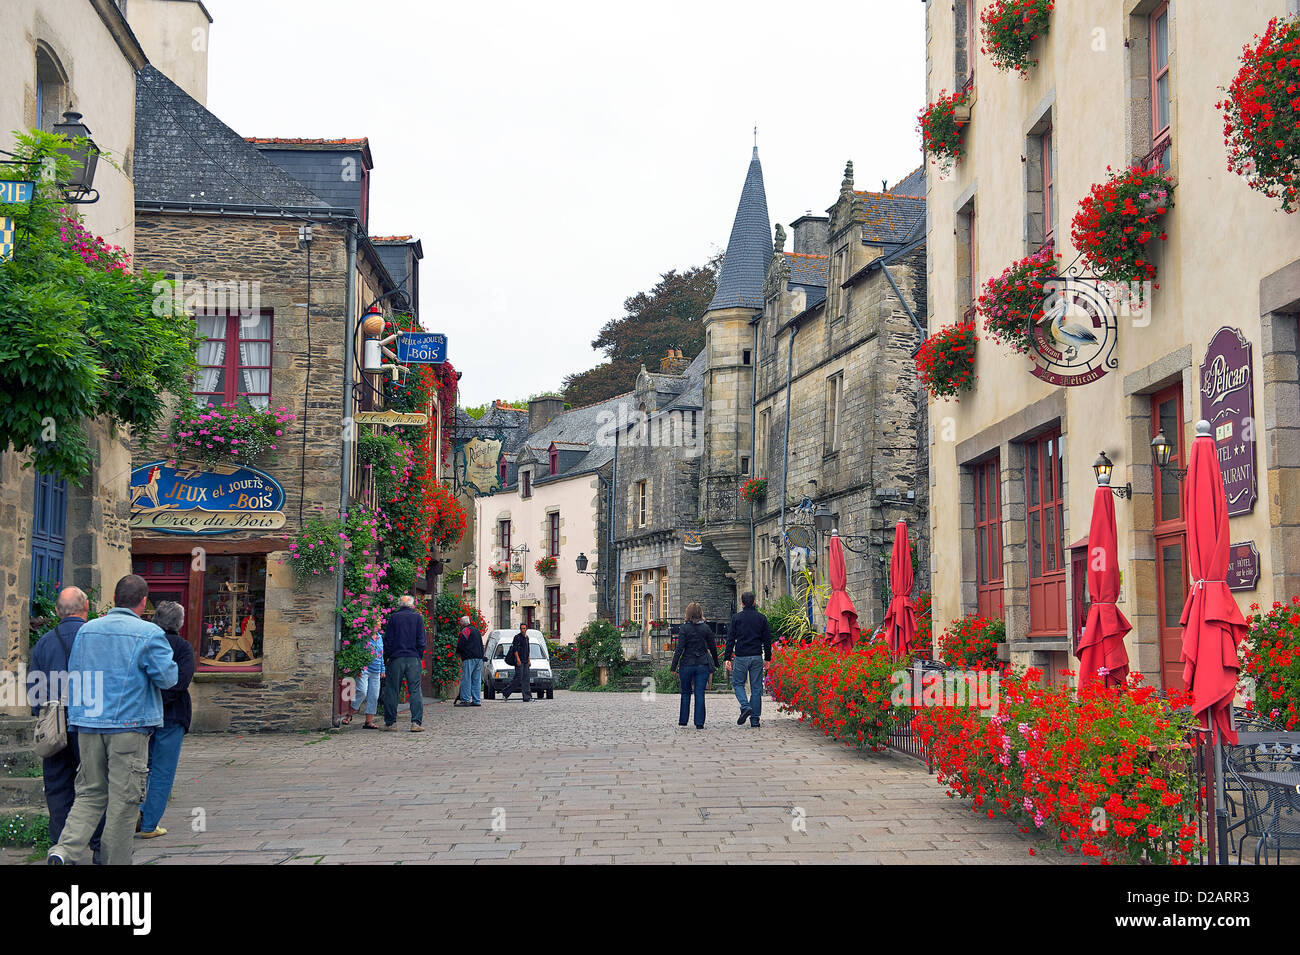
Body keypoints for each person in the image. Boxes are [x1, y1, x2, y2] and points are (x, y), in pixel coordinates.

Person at [47, 575, 177, 865]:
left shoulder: (87, 630)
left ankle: (63, 851)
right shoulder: (148, 633)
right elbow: (168, 678)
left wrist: (77, 718)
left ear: (115, 598)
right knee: (123, 802)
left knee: (89, 793)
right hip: (128, 726)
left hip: (89, 724)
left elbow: (76, 674)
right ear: (143, 602)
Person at [28, 586, 104, 863]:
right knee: (96, 785)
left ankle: (61, 849)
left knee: (58, 786)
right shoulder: (96, 638)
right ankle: (99, 846)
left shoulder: (45, 643)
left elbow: (33, 688)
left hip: (56, 722)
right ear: (86, 608)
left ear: (58, 611)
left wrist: (44, 713)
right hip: (90, 722)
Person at [137, 601, 194, 839]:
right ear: (179, 623)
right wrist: (164, 701)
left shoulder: (144, 643)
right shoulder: (182, 647)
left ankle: (134, 817)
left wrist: (152, 701)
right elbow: (181, 682)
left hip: (143, 714)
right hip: (172, 717)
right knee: (162, 771)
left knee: (139, 768)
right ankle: (149, 824)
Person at [725, 591, 772, 728]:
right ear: (754, 602)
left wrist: (727, 657)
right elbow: (767, 640)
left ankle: (745, 706)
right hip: (756, 655)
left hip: (741, 656)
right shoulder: (761, 618)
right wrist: (767, 658)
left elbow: (730, 639)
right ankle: (755, 719)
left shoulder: (736, 618)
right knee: (757, 687)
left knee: (738, 683)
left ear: (742, 603)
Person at [670, 602, 719, 729]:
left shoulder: (684, 629)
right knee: (699, 693)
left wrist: (673, 666)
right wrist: (716, 662)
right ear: (700, 613)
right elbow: (713, 647)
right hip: (702, 664)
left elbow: (679, 649)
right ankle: (699, 722)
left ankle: (683, 720)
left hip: (687, 664)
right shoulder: (706, 628)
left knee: (685, 693)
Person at [382, 595, 426, 732]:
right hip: (413, 658)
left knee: (392, 690)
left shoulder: (394, 618)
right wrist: (418, 655)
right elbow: (422, 640)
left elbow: (388, 639)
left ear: (400, 604)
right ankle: (416, 723)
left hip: (396, 658)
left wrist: (388, 655)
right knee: (415, 690)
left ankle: (391, 723)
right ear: (412, 604)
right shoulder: (418, 618)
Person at [344, 632, 384, 728]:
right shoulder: (364, 636)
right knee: (362, 691)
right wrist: (358, 668)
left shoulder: (379, 637)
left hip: (376, 671)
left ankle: (368, 722)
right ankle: (349, 715)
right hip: (364, 670)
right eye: (378, 621)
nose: (380, 623)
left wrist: (383, 669)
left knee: (374, 696)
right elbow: (357, 651)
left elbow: (381, 654)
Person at [454, 615, 484, 707]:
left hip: (469, 657)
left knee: (466, 679)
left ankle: (465, 699)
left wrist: (458, 653)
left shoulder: (465, 631)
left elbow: (461, 644)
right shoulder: (476, 631)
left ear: (463, 624)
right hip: (479, 657)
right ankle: (476, 700)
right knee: (476, 679)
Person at [505, 622, 532, 702]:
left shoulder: (527, 638)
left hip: (525, 661)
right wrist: (518, 659)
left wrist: (529, 660)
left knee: (526, 679)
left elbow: (528, 650)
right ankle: (506, 692)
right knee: (518, 678)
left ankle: (527, 697)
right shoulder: (517, 637)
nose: (523, 630)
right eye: (522, 628)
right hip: (519, 661)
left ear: (526, 629)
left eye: (524, 628)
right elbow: (515, 649)